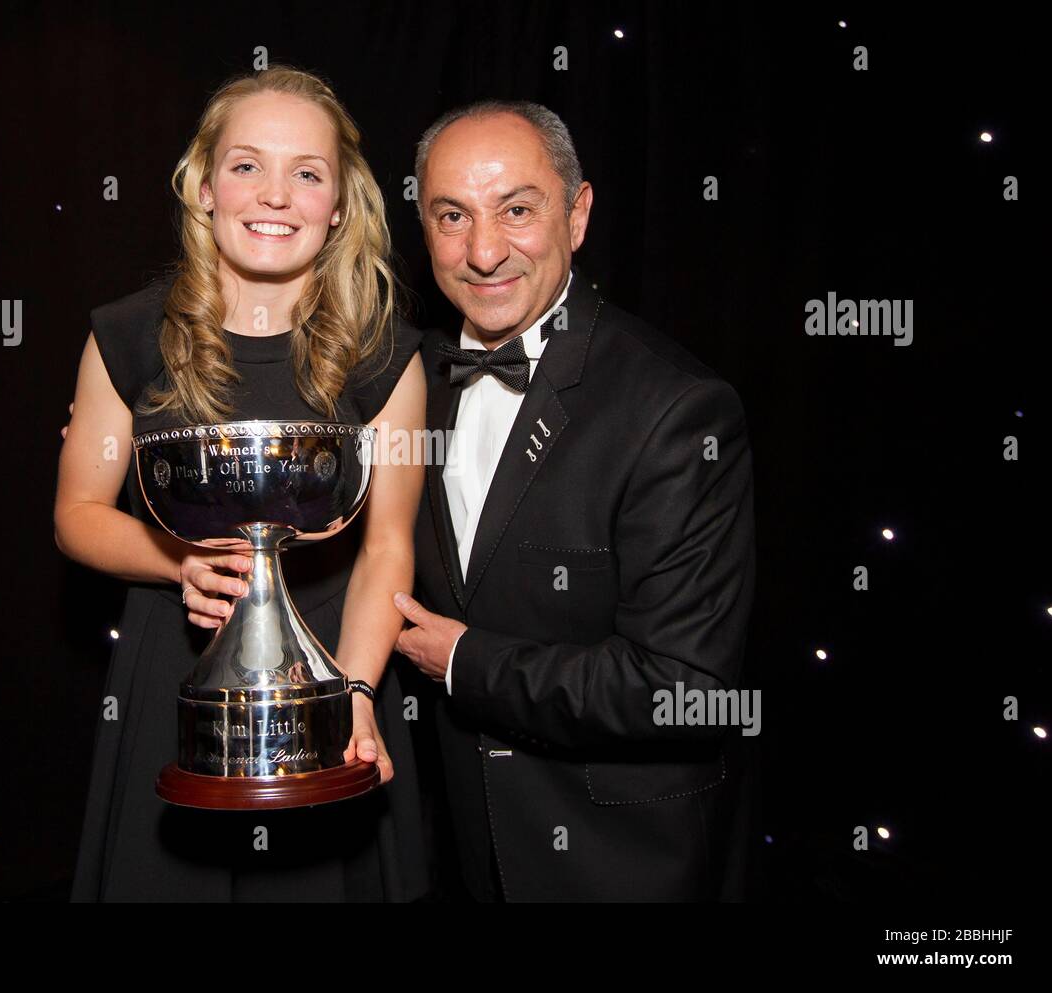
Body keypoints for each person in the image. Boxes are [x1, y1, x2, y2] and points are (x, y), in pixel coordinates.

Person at [54, 66, 429, 902]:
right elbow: (77, 516)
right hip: (175, 668)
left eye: (307, 172)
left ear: (339, 204)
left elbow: (389, 545)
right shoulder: (127, 335)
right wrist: (177, 563)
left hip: (335, 659)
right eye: (247, 164)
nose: (275, 195)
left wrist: (355, 694)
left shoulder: (385, 356)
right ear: (203, 184)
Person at [392, 101, 758, 901]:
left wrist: (461, 660)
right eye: (452, 215)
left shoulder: (676, 409)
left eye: (517, 210)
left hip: (619, 862)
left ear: (578, 214)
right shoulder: (402, 382)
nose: (483, 251)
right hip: (451, 849)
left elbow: (684, 690)